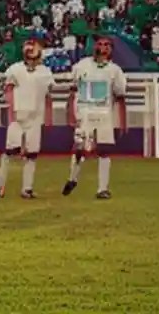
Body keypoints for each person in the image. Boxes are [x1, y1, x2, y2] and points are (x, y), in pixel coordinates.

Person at [62, 34, 126, 199]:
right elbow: (72, 92)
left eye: (107, 45)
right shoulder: (81, 66)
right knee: (79, 149)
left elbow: (120, 97)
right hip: (84, 113)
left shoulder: (115, 71)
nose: (103, 47)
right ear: (94, 46)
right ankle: (72, 178)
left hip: (104, 114)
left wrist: (123, 121)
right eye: (100, 44)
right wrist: (70, 113)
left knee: (104, 151)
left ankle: (102, 189)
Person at [0, 38, 54, 199]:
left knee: (32, 153)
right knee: (10, 151)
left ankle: (27, 188)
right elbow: (8, 91)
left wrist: (48, 117)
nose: (31, 49)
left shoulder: (45, 72)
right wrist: (11, 113)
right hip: (18, 116)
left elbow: (48, 96)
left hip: (35, 117)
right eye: (28, 45)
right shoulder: (15, 69)